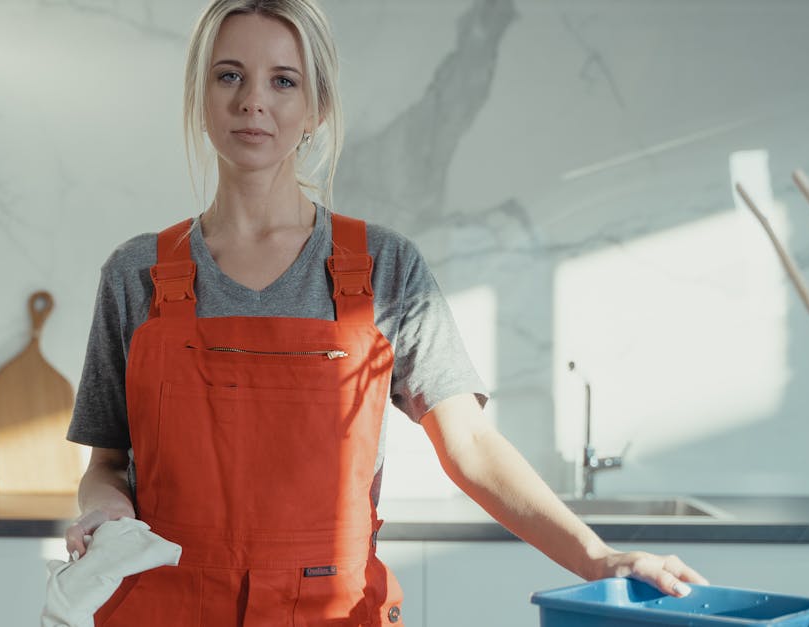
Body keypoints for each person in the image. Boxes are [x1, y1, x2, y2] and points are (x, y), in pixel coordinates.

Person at [64, 1, 708, 625]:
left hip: (335, 612)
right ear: (200, 96)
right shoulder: (137, 274)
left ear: (316, 107)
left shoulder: (384, 268)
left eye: (283, 80)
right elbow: (106, 467)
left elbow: (472, 445)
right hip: (167, 610)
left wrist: (596, 557)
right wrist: (104, 511)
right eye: (228, 75)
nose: (252, 100)